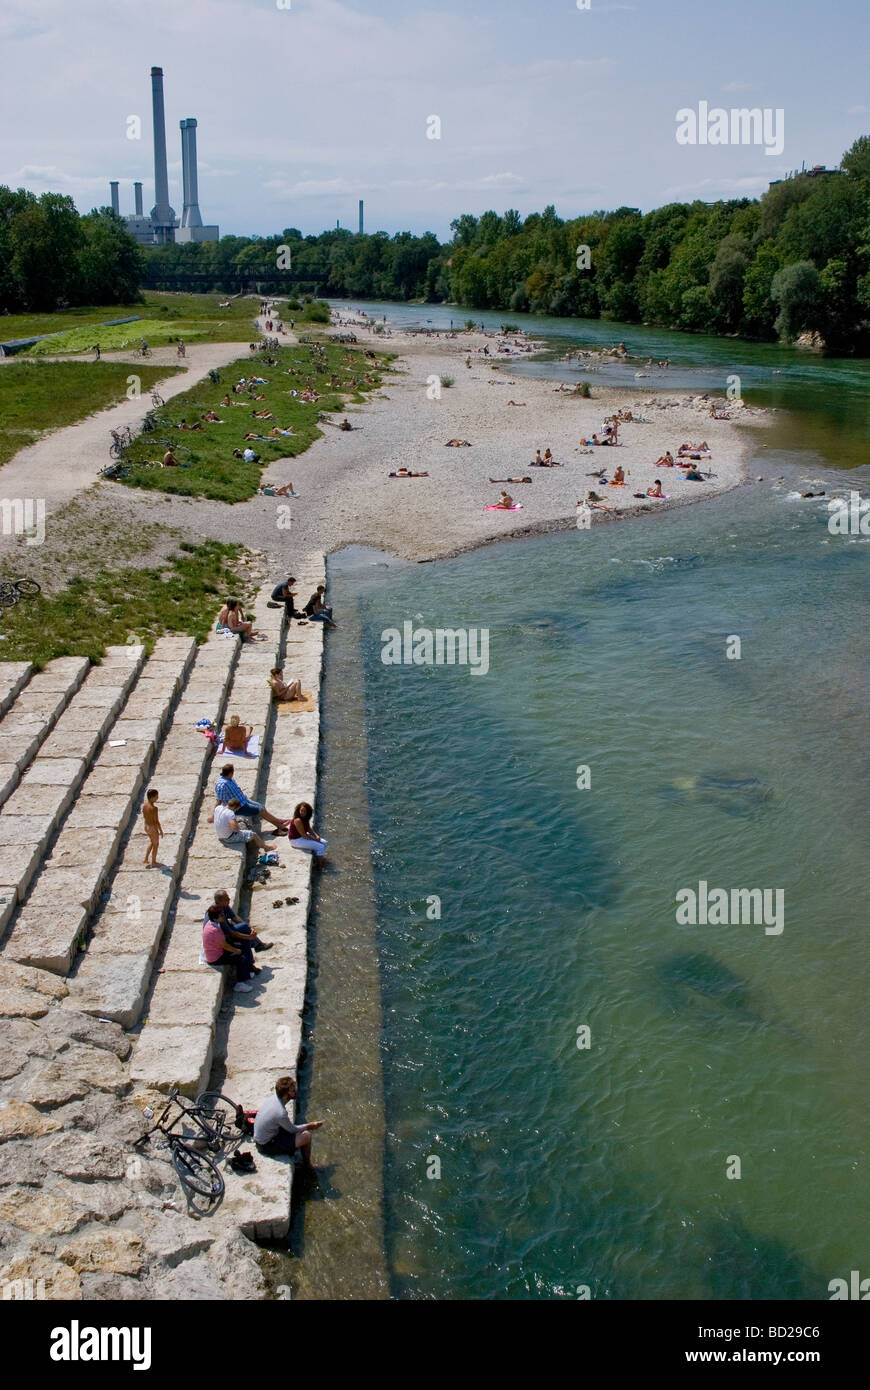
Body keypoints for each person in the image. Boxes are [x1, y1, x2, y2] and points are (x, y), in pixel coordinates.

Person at [253, 1076, 321, 1166]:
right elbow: (293, 1130)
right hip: (266, 1145)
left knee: (296, 1132)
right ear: (286, 1095)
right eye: (293, 1091)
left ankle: (294, 1150)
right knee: (307, 1136)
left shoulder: (274, 1098)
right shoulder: (280, 1112)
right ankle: (308, 1166)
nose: (296, 1091)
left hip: (262, 1137)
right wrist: (311, 1126)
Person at [215, 763, 288, 829]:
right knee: (261, 810)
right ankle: (279, 824)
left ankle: (278, 822)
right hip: (238, 807)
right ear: (230, 773)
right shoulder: (222, 785)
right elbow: (219, 800)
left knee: (262, 807)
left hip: (243, 800)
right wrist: (215, 815)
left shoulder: (229, 779)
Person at [202, 905, 255, 993]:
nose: (223, 916)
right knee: (240, 958)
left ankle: (248, 970)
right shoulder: (214, 930)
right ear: (215, 918)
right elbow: (225, 946)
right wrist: (236, 951)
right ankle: (240, 984)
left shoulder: (212, 923)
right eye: (221, 915)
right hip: (216, 958)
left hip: (216, 950)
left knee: (243, 945)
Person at [206, 890, 272, 956]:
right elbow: (231, 933)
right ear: (220, 902)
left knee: (245, 927)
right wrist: (249, 937)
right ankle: (258, 946)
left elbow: (234, 917)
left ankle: (258, 945)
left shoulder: (223, 905)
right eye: (226, 899)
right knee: (245, 939)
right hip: (220, 936)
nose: (229, 899)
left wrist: (249, 927)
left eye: (228, 897)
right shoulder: (218, 914)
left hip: (226, 930)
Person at [142, 788, 163, 867]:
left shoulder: (144, 806)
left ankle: (146, 858)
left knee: (152, 842)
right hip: (152, 828)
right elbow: (156, 821)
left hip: (146, 826)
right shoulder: (154, 809)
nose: (157, 798)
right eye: (156, 797)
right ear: (152, 797)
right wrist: (160, 830)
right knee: (156, 845)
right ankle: (153, 862)